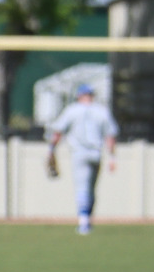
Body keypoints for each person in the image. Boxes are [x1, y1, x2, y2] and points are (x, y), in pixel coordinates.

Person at [46, 83, 118, 234]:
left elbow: (58, 132)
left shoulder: (72, 111)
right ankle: (87, 219)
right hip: (96, 153)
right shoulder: (101, 111)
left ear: (79, 96)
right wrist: (112, 158)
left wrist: (51, 149)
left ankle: (84, 222)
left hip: (79, 154)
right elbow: (110, 137)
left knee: (82, 187)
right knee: (91, 188)